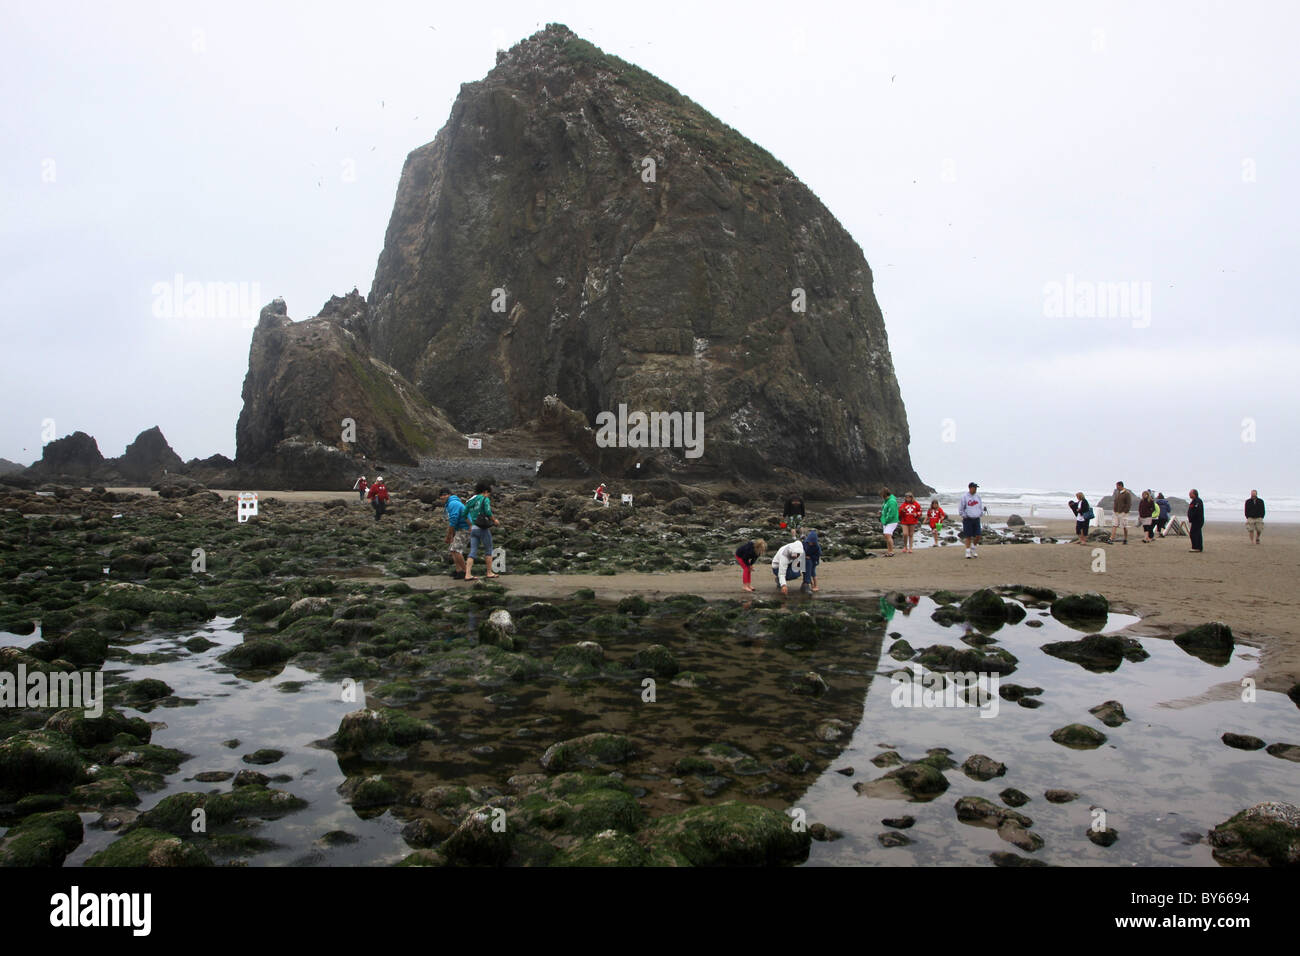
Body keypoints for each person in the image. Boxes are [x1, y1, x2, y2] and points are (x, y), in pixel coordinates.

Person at [464, 481, 500, 581]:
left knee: (473, 551)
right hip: (482, 528)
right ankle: (489, 572)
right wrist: (495, 521)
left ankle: (468, 574)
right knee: (488, 550)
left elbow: (464, 514)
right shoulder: (485, 499)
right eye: (489, 493)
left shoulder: (470, 500)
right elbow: (488, 512)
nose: (489, 495)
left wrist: (470, 524)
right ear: (485, 492)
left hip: (473, 528)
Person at [438, 486, 471, 579]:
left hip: (465, 529)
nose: (442, 497)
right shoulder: (450, 503)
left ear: (449, 495)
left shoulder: (453, 503)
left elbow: (453, 520)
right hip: (460, 528)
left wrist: (449, 536)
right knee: (452, 550)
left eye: (445, 495)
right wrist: (452, 535)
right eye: (441, 495)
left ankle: (465, 572)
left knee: (456, 550)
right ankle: (458, 570)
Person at [957, 482, 984, 558]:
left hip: (976, 518)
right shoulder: (965, 497)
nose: (975, 489)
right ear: (970, 488)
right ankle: (968, 552)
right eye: (974, 488)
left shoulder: (978, 497)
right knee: (968, 536)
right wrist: (964, 515)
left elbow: (980, 506)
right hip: (968, 518)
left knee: (978, 535)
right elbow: (961, 508)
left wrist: (980, 513)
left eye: (976, 488)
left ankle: (973, 547)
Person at [1110, 481, 1132, 545]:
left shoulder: (1126, 493)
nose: (1116, 487)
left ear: (1120, 486)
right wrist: (1114, 509)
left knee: (1124, 526)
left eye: (1117, 486)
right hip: (1116, 512)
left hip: (1123, 513)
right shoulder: (1118, 493)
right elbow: (1116, 502)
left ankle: (1125, 539)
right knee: (1114, 525)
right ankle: (1111, 538)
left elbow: (1129, 504)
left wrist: (1125, 511)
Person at [880, 488, 899, 556]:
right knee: (887, 535)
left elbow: (892, 513)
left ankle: (891, 551)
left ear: (884, 494)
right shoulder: (887, 501)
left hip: (891, 521)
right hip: (886, 521)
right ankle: (889, 550)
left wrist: (886, 520)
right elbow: (885, 510)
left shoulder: (891, 501)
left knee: (887, 534)